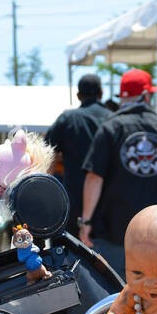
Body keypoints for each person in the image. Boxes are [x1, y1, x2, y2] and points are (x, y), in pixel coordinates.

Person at [80, 69, 157, 277]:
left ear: (123, 97)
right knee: (154, 295)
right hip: (155, 232)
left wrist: (85, 223)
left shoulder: (110, 127)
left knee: (114, 296)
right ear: (146, 96)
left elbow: (94, 178)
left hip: (114, 232)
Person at [46, 74, 112, 229]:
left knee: (73, 250)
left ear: (78, 95)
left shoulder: (68, 118)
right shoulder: (114, 119)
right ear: (101, 93)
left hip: (74, 202)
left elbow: (48, 152)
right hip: (108, 205)